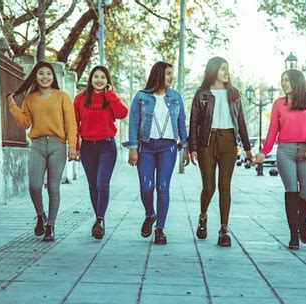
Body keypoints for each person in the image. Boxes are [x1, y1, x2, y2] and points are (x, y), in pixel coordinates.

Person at [7, 61, 77, 242]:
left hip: (57, 145)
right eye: (41, 74)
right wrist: (13, 106)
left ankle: (51, 226)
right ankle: (40, 215)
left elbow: (71, 123)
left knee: (53, 188)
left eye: (48, 73)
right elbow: (25, 123)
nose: (45, 77)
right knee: (34, 186)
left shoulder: (62, 96)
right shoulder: (30, 99)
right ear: (35, 77)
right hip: (37, 144)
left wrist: (72, 146)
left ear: (53, 77)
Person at [188, 56, 252, 247]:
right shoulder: (202, 94)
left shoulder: (235, 94)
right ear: (213, 70)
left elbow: (241, 122)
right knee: (209, 187)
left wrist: (248, 148)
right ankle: (203, 216)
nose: (226, 72)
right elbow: (194, 122)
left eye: (227, 69)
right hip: (207, 142)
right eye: (222, 68)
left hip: (229, 143)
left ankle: (224, 230)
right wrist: (192, 147)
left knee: (225, 185)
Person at [123, 61, 189, 245]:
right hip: (146, 147)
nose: (171, 77)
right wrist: (133, 149)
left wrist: (185, 146)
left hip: (168, 147)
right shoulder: (141, 97)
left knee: (162, 186)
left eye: (171, 74)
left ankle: (160, 228)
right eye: (168, 73)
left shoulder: (175, 97)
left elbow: (182, 121)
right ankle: (150, 214)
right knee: (146, 187)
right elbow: (134, 122)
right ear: (159, 74)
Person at [253, 69, 306, 250]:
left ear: (297, 82)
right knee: (291, 191)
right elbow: (273, 130)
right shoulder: (278, 104)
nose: (284, 83)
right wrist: (264, 152)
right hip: (285, 152)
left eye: (287, 80)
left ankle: (301, 224)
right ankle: (293, 236)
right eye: (282, 80)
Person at [73, 65, 128, 240]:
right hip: (88, 147)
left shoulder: (110, 97)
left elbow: (122, 113)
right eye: (96, 76)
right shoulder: (80, 98)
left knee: (102, 183)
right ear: (90, 79)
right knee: (92, 185)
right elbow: (74, 124)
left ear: (107, 81)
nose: (99, 80)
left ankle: (99, 219)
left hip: (107, 146)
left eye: (103, 77)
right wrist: (74, 147)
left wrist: (110, 95)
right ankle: (99, 221)